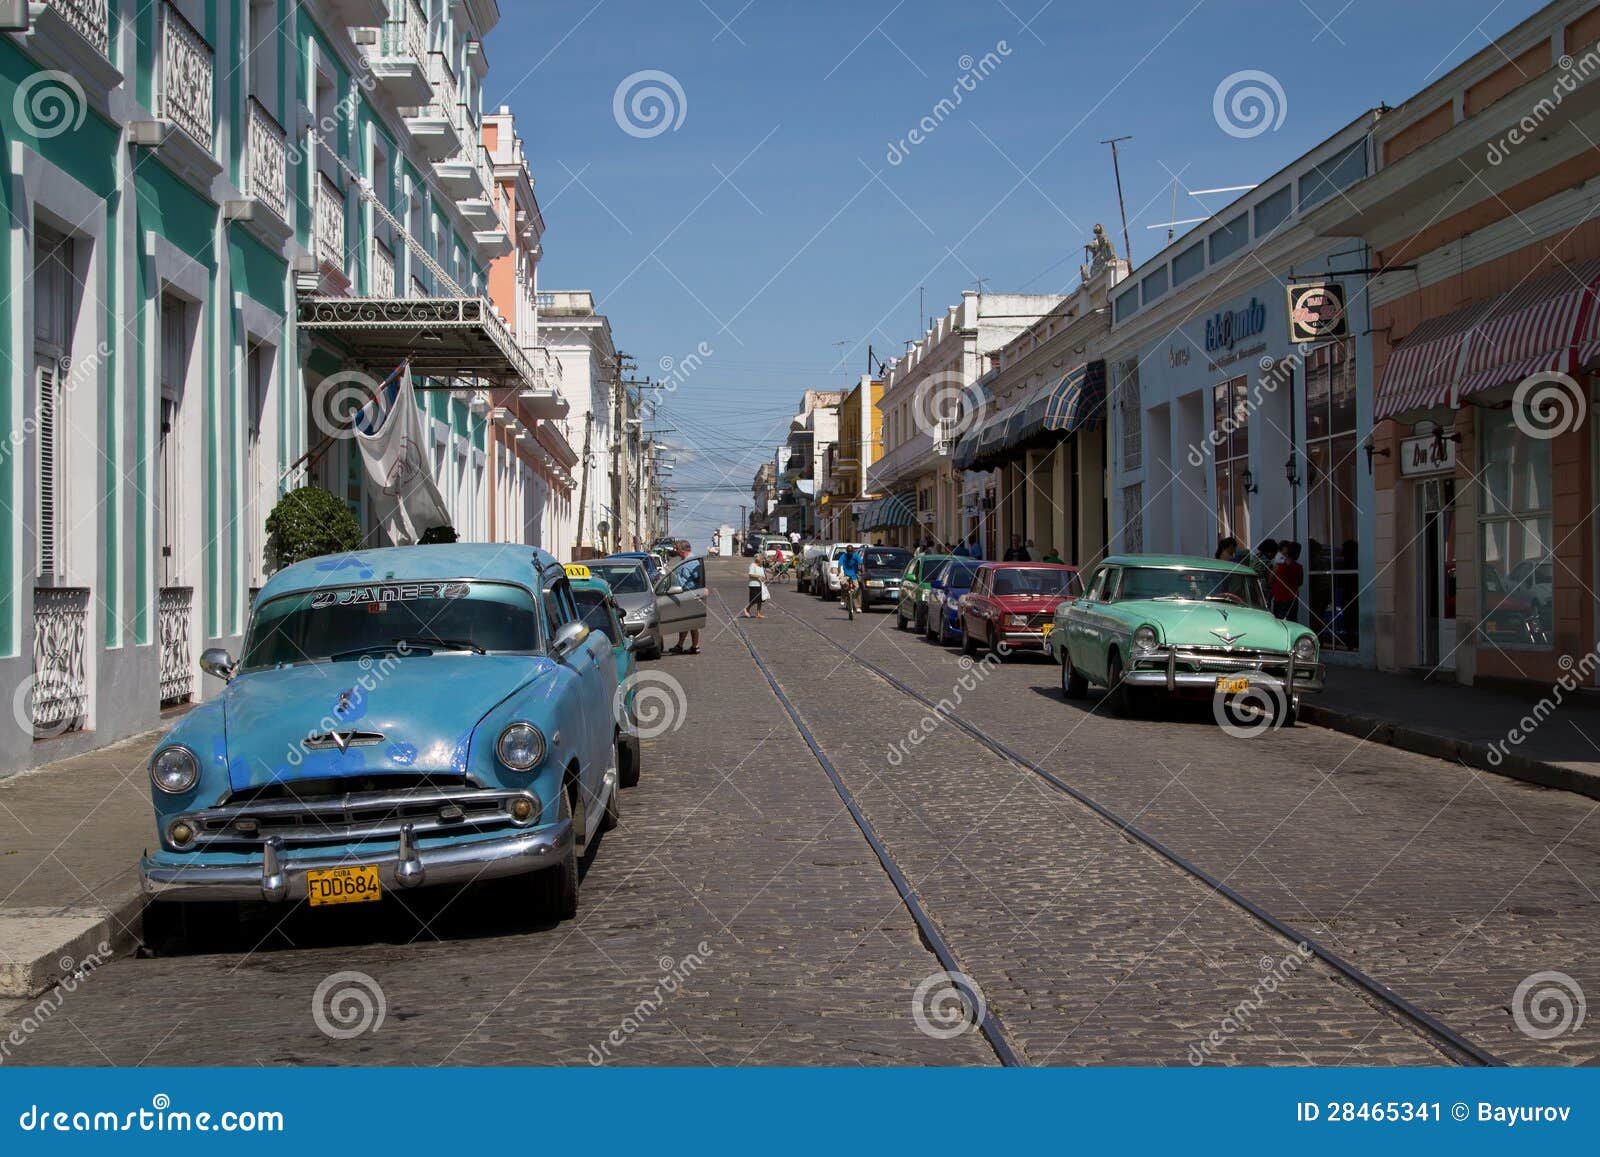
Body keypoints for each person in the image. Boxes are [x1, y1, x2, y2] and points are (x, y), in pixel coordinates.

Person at [668, 540, 706, 652]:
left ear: (681, 549)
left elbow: (699, 578)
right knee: (684, 622)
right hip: (683, 595)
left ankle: (695, 646)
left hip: (691, 595)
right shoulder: (684, 560)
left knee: (692, 622)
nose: (675, 551)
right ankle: (680, 645)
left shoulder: (692, 561)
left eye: (676, 549)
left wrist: (700, 592)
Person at [1272, 541, 1304, 620]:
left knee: (1279, 622)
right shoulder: (1299, 567)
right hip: (1292, 598)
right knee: (1292, 621)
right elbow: (1300, 582)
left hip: (1279, 597)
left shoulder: (1278, 566)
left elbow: (1270, 580)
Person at [839, 543, 863, 615]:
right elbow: (839, 564)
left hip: (854, 575)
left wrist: (862, 571)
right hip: (846, 574)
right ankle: (843, 597)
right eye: (848, 551)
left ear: (853, 551)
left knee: (857, 588)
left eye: (851, 551)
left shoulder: (856, 556)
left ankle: (857, 607)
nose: (850, 553)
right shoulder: (843, 556)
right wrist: (839, 572)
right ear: (846, 551)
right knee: (843, 583)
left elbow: (861, 564)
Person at [743, 555, 767, 620]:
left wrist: (765, 579)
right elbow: (750, 574)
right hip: (754, 585)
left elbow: (763, 575)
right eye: (762, 559)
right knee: (754, 600)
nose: (763, 561)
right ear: (758, 560)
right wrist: (758, 577)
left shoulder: (761, 567)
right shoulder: (753, 565)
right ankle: (747, 609)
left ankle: (758, 613)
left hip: (761, 585)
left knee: (761, 600)